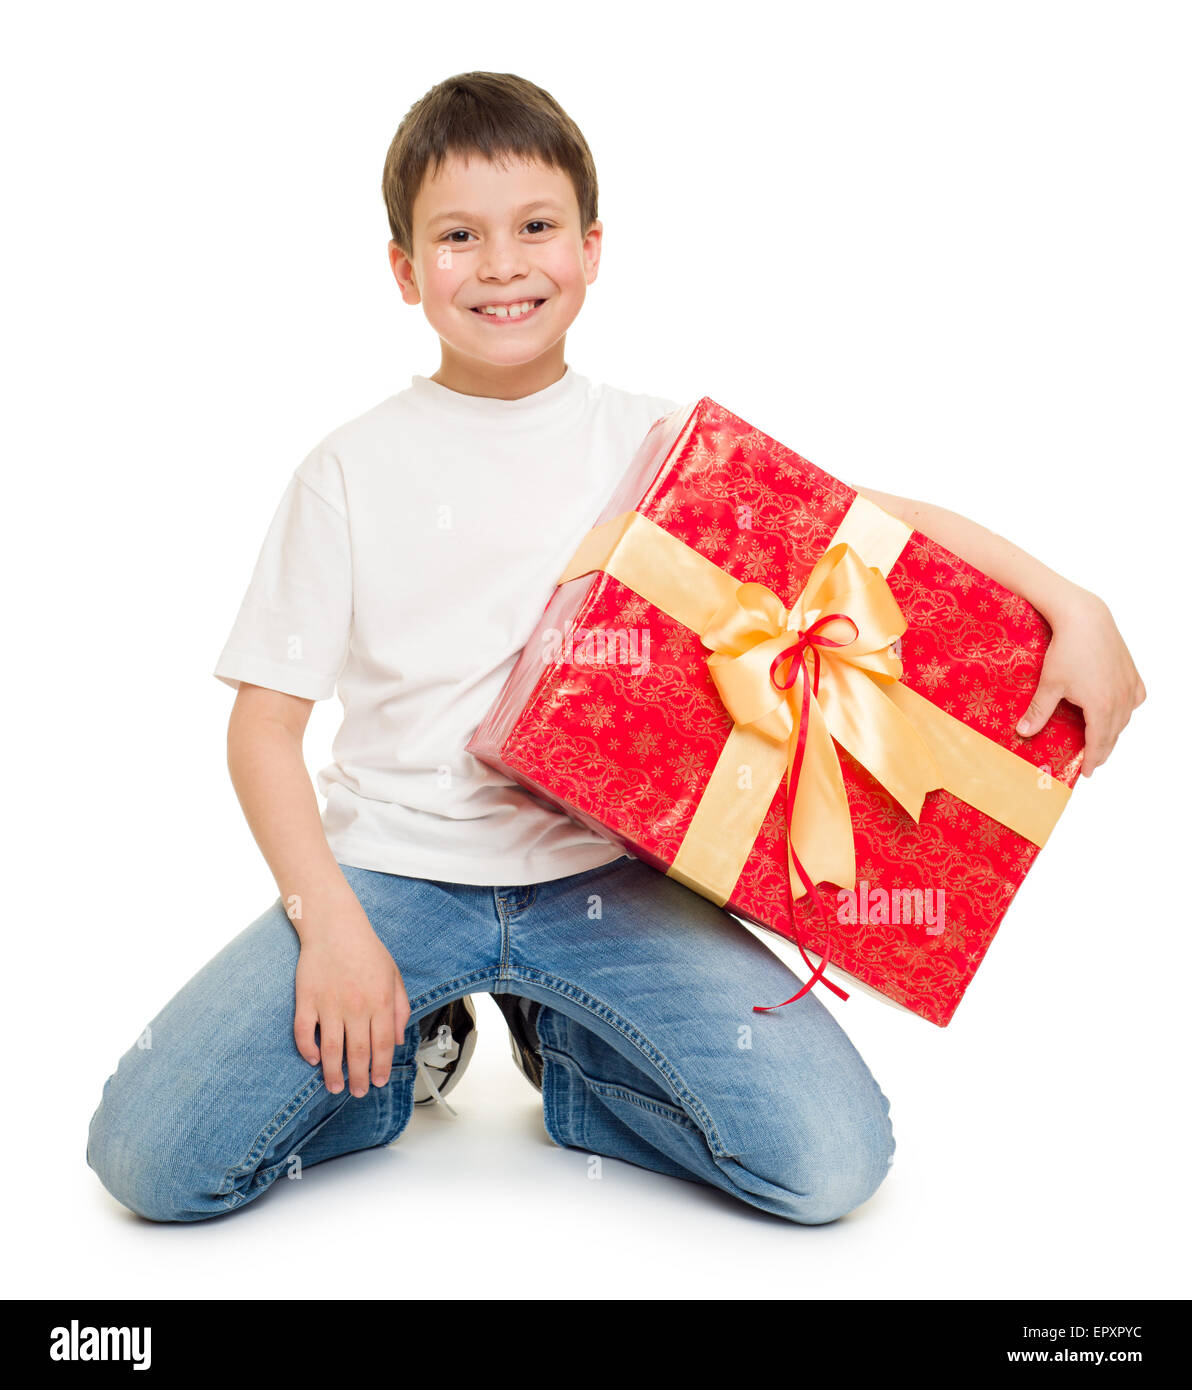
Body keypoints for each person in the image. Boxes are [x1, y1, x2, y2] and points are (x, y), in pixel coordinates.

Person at [85, 71, 1145, 1225]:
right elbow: (264, 729)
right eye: (458, 236)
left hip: (611, 880)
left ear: (591, 250)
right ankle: (405, 1059)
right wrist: (329, 927)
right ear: (403, 270)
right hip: (392, 876)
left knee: (828, 1166)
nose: (501, 264)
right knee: (155, 1161)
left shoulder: (655, 442)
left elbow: (867, 527)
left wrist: (1069, 599)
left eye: (535, 228)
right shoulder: (348, 469)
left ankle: (573, 1059)